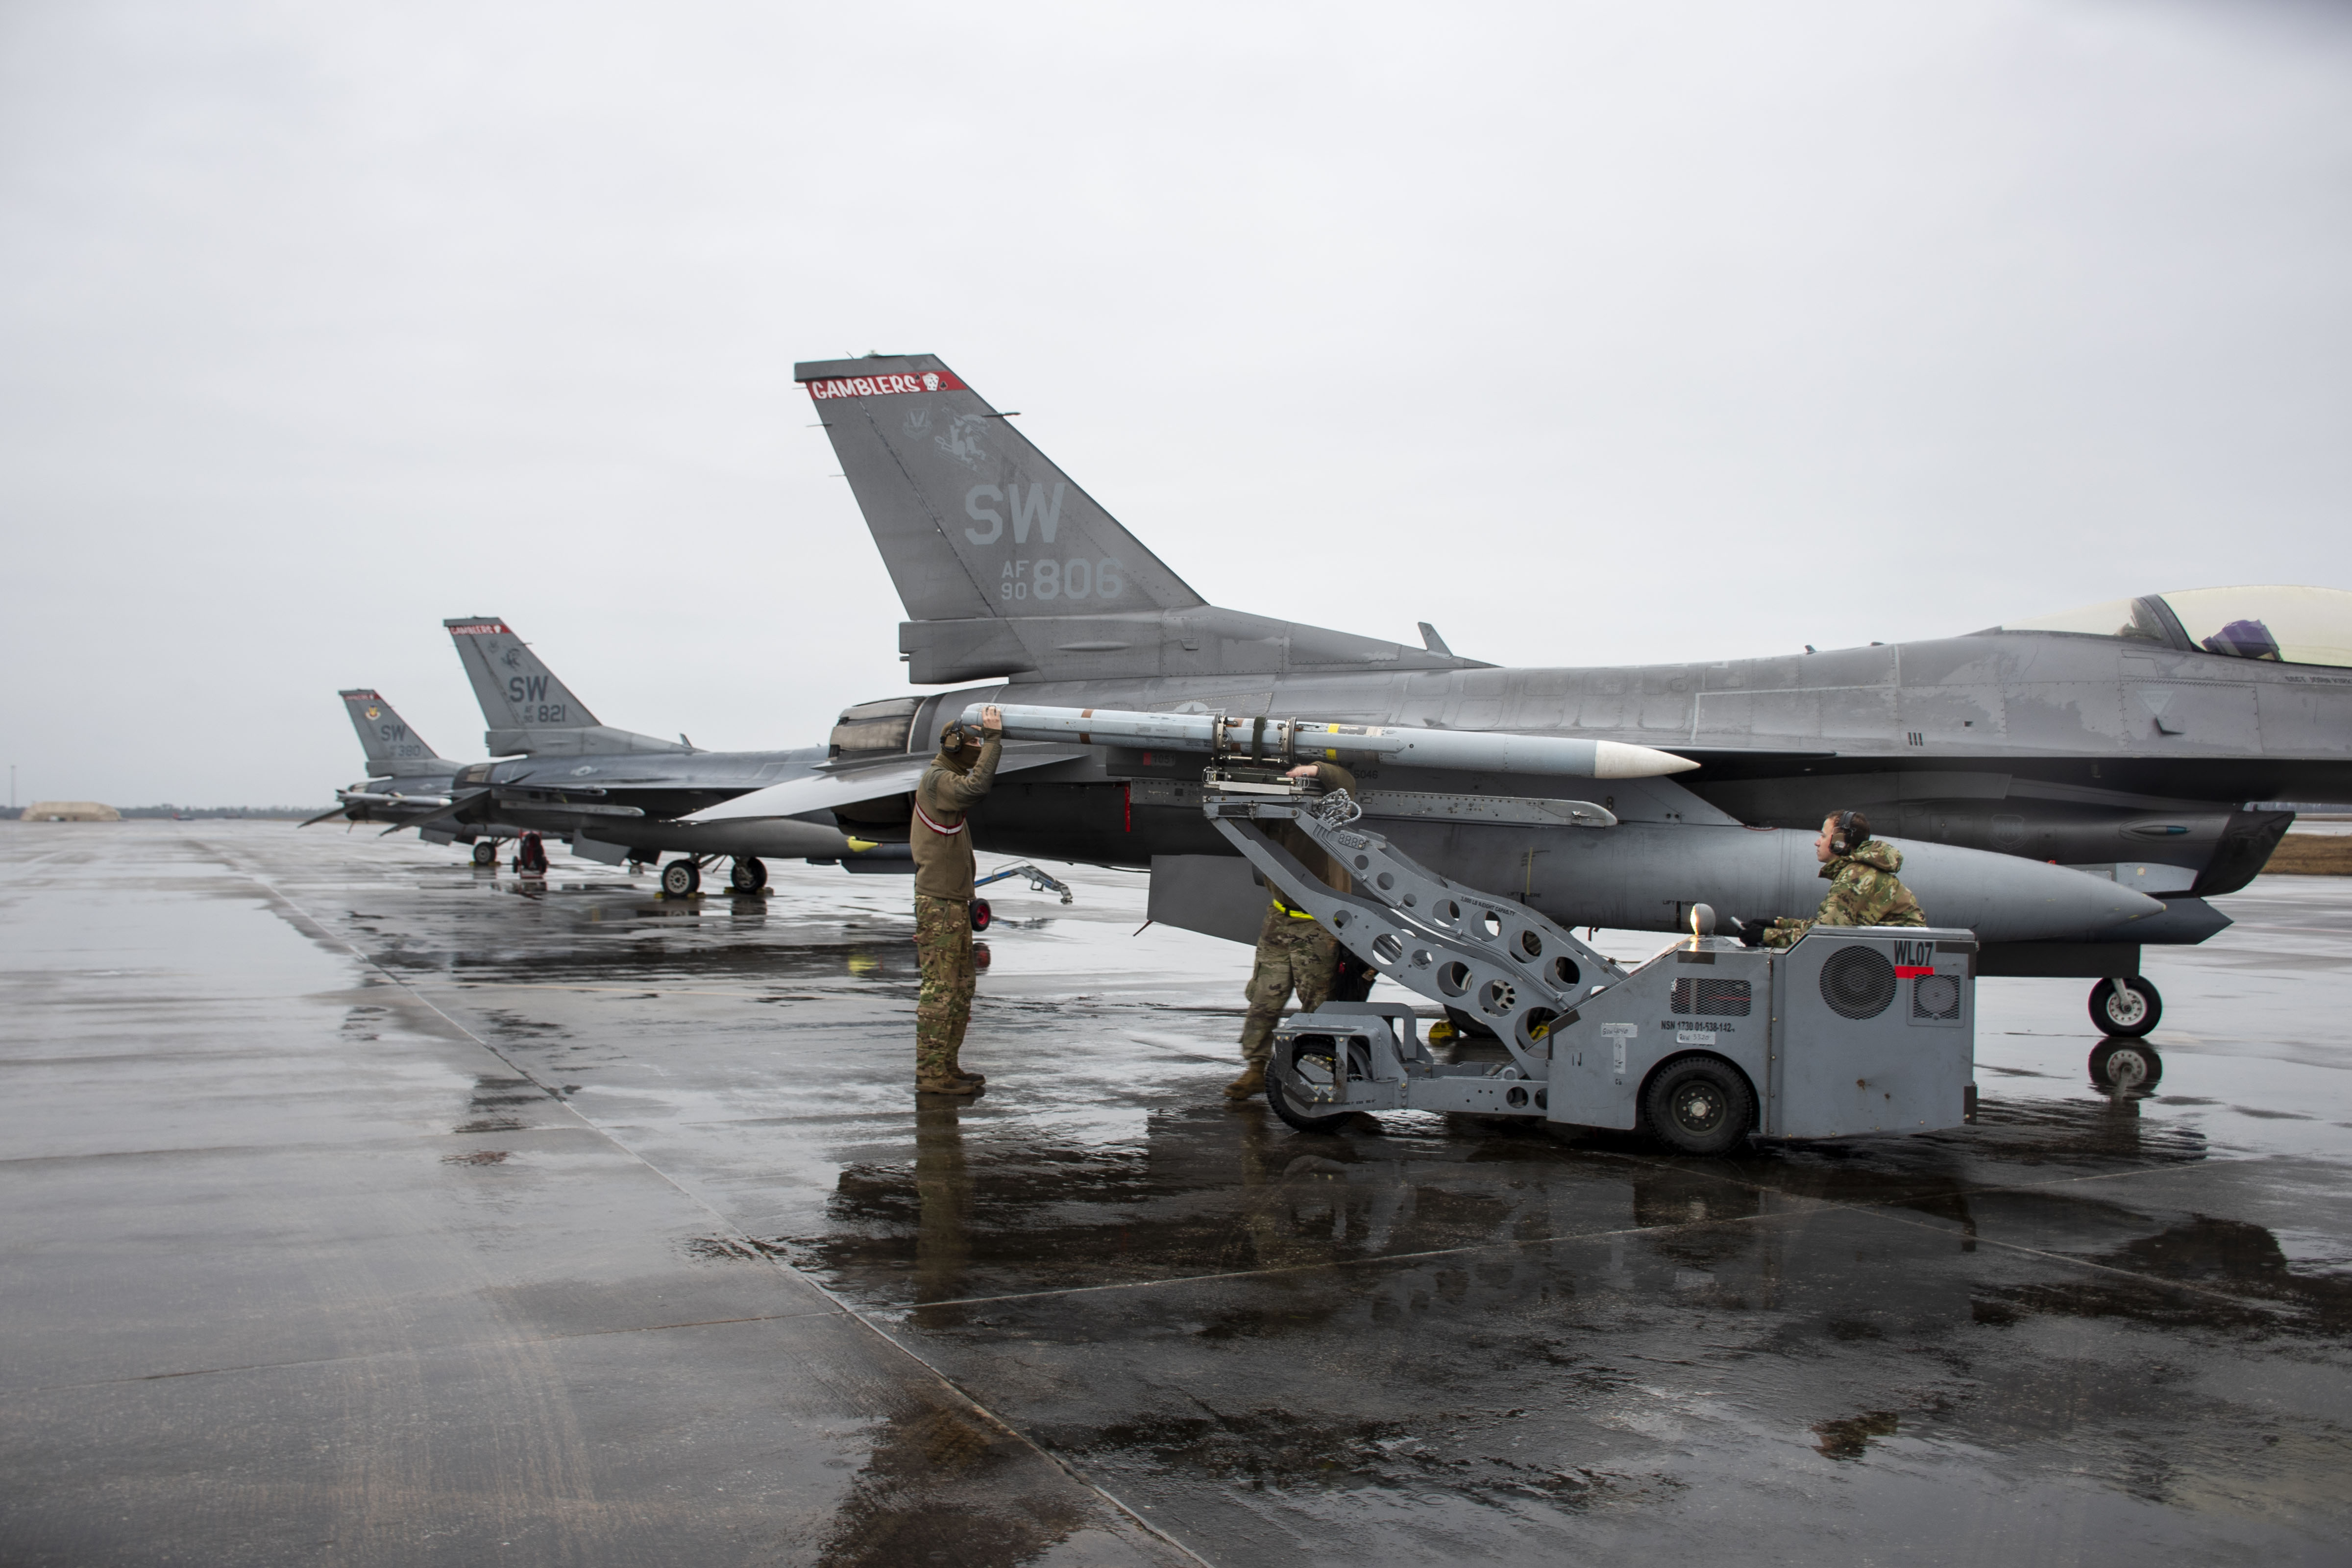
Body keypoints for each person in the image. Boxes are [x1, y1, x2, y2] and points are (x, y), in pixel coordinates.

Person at [1227, 758, 1358, 1101]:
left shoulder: (1326, 812)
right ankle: (1256, 1067)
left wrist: (1316, 771)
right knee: (1263, 998)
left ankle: (1319, 1075)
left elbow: (1346, 782)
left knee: (1318, 1005)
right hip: (1279, 917)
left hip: (1318, 923)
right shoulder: (1270, 816)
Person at [909, 705, 1003, 1095]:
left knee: (961, 988)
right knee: (941, 990)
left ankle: (946, 1065)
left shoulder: (944, 779)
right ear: (954, 744)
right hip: (939, 904)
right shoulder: (938, 780)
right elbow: (975, 789)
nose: (978, 750)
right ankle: (932, 1075)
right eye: (975, 743)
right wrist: (995, 742)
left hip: (954, 902)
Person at [1756, 809, 1926, 948]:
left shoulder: (1857, 876)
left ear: (1840, 842)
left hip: (1892, 962)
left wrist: (1766, 936)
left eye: (1823, 836)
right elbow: (1825, 926)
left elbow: (1825, 936)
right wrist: (1778, 925)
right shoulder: (1858, 871)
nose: (1817, 842)